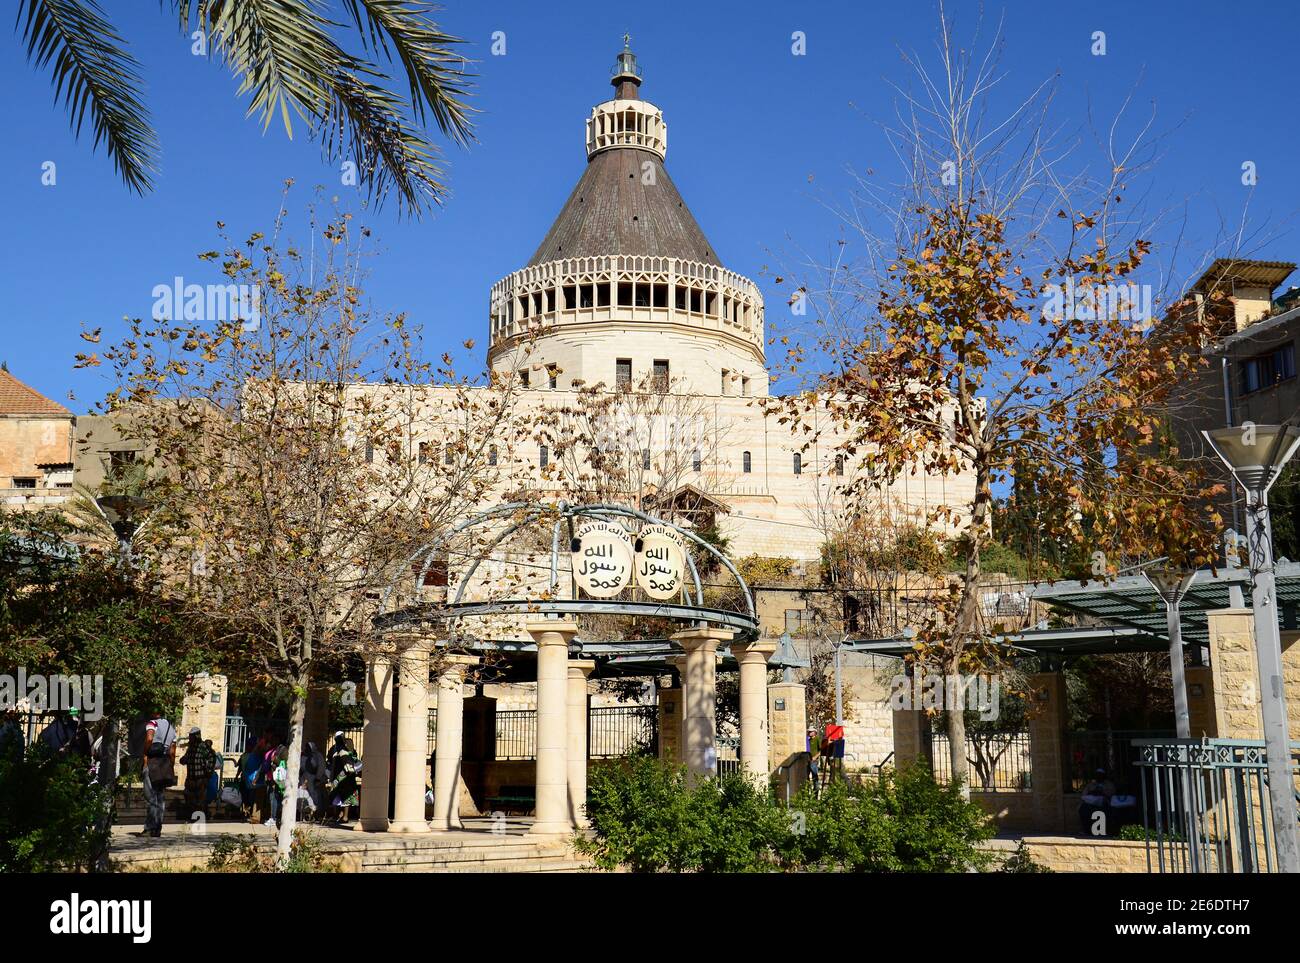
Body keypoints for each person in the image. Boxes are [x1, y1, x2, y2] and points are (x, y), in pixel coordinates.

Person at [138, 710, 177, 838]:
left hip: (152, 762)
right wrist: (170, 765)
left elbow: (149, 739)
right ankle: (158, 828)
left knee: (151, 797)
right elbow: (172, 751)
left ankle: (149, 828)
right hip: (164, 764)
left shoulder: (152, 723)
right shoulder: (171, 728)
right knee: (160, 797)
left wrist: (145, 753)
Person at [179, 727, 218, 819]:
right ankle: (194, 816)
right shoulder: (191, 748)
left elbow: (212, 757)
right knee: (188, 796)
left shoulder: (203, 747)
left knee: (200, 799)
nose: (190, 738)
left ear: (196, 736)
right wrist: (183, 760)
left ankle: (200, 818)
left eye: (191, 736)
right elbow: (185, 759)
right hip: (190, 779)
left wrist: (208, 771)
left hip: (201, 779)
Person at [328, 737, 361, 825]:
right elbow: (349, 767)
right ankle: (341, 816)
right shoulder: (344, 753)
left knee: (343, 797)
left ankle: (342, 816)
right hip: (344, 777)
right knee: (342, 797)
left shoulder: (344, 753)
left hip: (341, 778)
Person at [300, 740, 327, 819]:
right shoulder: (304, 756)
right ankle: (307, 814)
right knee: (305, 796)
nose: (307, 748)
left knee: (315, 797)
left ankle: (317, 814)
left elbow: (321, 767)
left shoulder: (317, 756)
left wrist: (318, 778)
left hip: (313, 779)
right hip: (304, 778)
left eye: (308, 747)